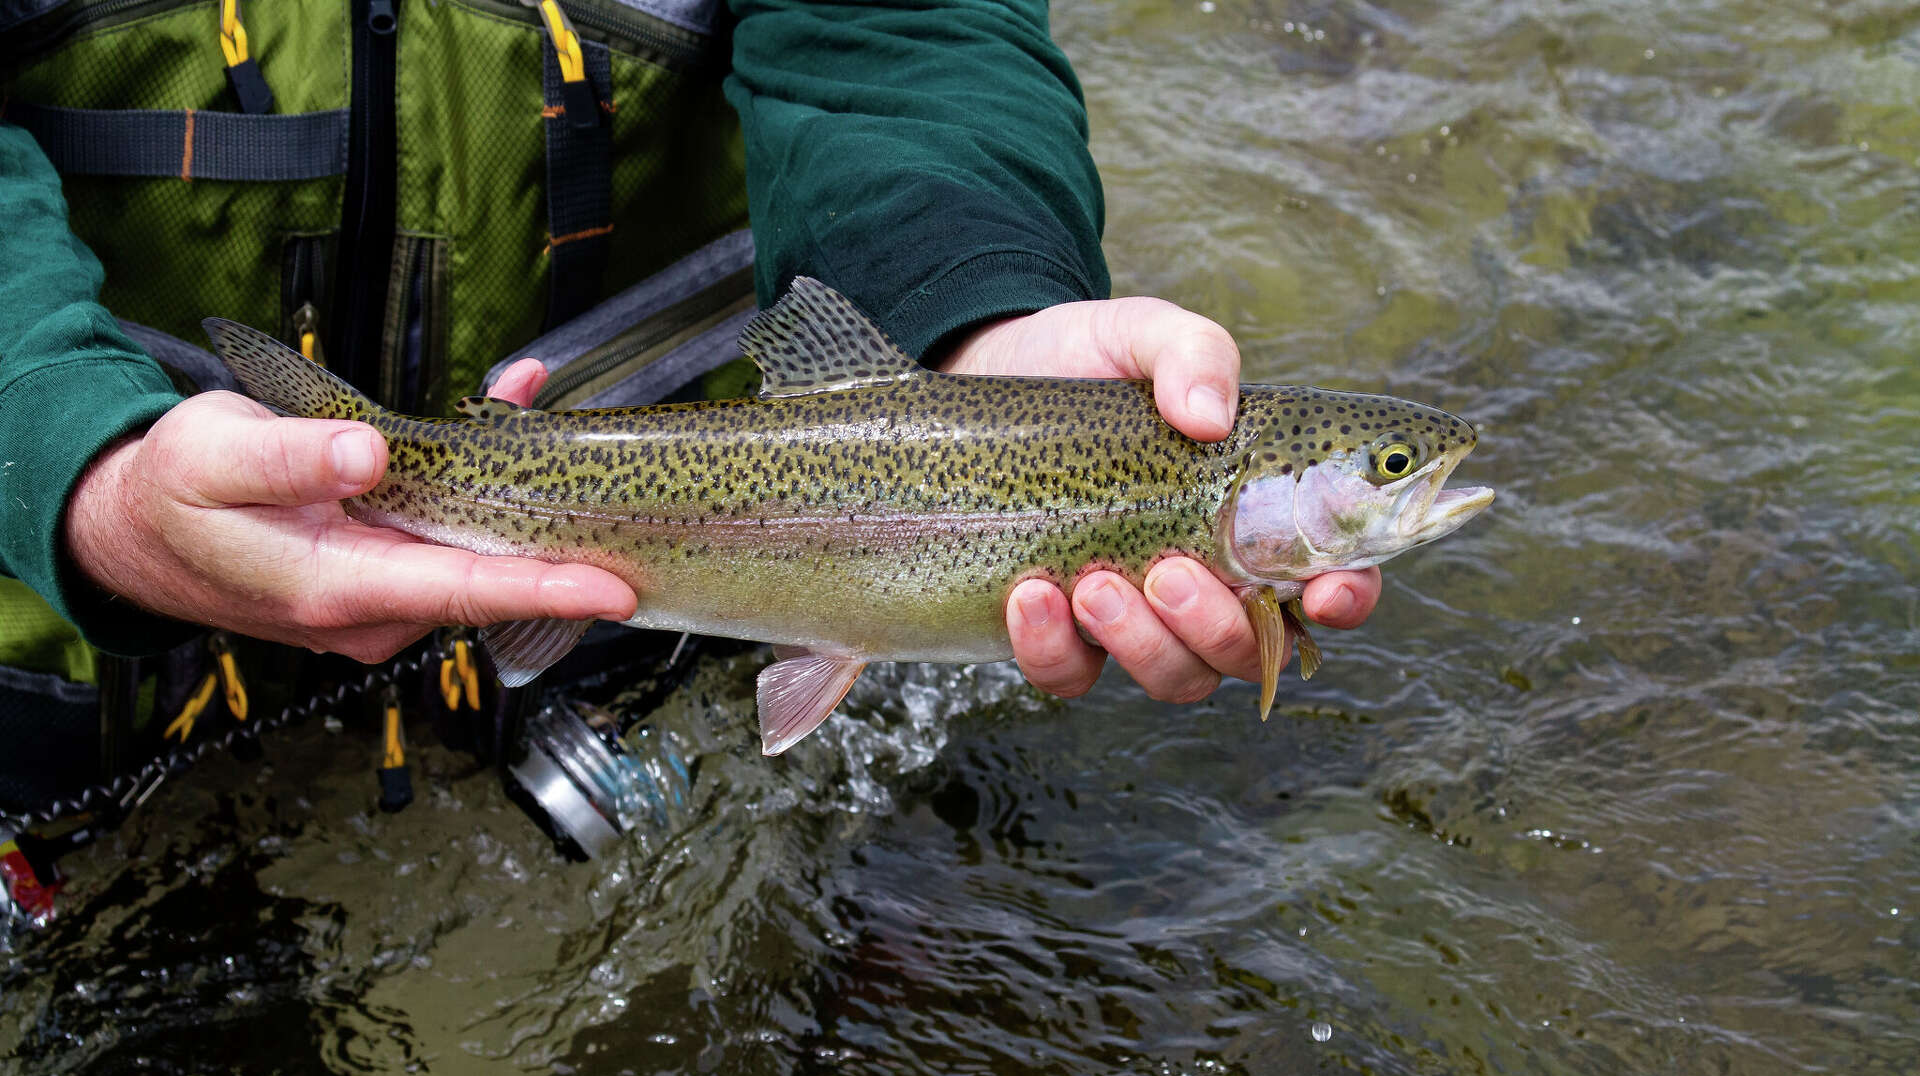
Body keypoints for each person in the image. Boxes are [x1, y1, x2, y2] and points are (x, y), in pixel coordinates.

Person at [0, 0, 1382, 768]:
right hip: (61, 645)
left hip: (633, 664)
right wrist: (77, 463)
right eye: (1382, 472)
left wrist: (979, 318)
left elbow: (907, 39)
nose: (1398, 487)